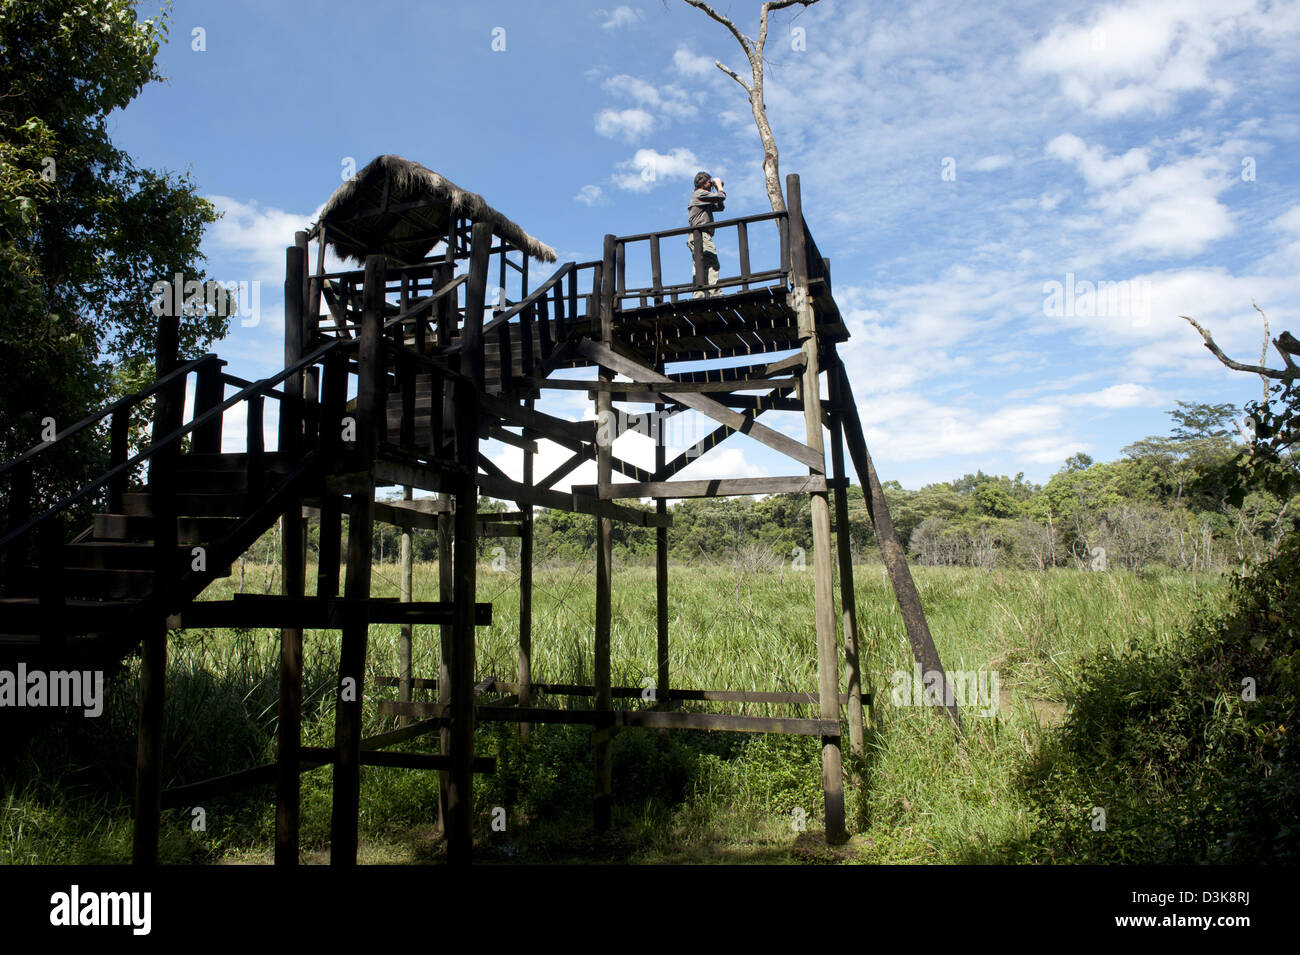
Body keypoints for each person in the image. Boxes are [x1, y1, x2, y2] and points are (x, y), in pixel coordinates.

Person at [686, 171, 725, 298]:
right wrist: (719, 187)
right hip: (701, 235)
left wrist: (718, 189)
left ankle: (699, 294)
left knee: (699, 264)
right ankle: (714, 293)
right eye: (709, 181)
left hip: (698, 235)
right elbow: (721, 197)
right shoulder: (699, 194)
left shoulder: (702, 198)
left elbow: (720, 207)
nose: (711, 183)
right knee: (712, 262)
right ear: (702, 182)